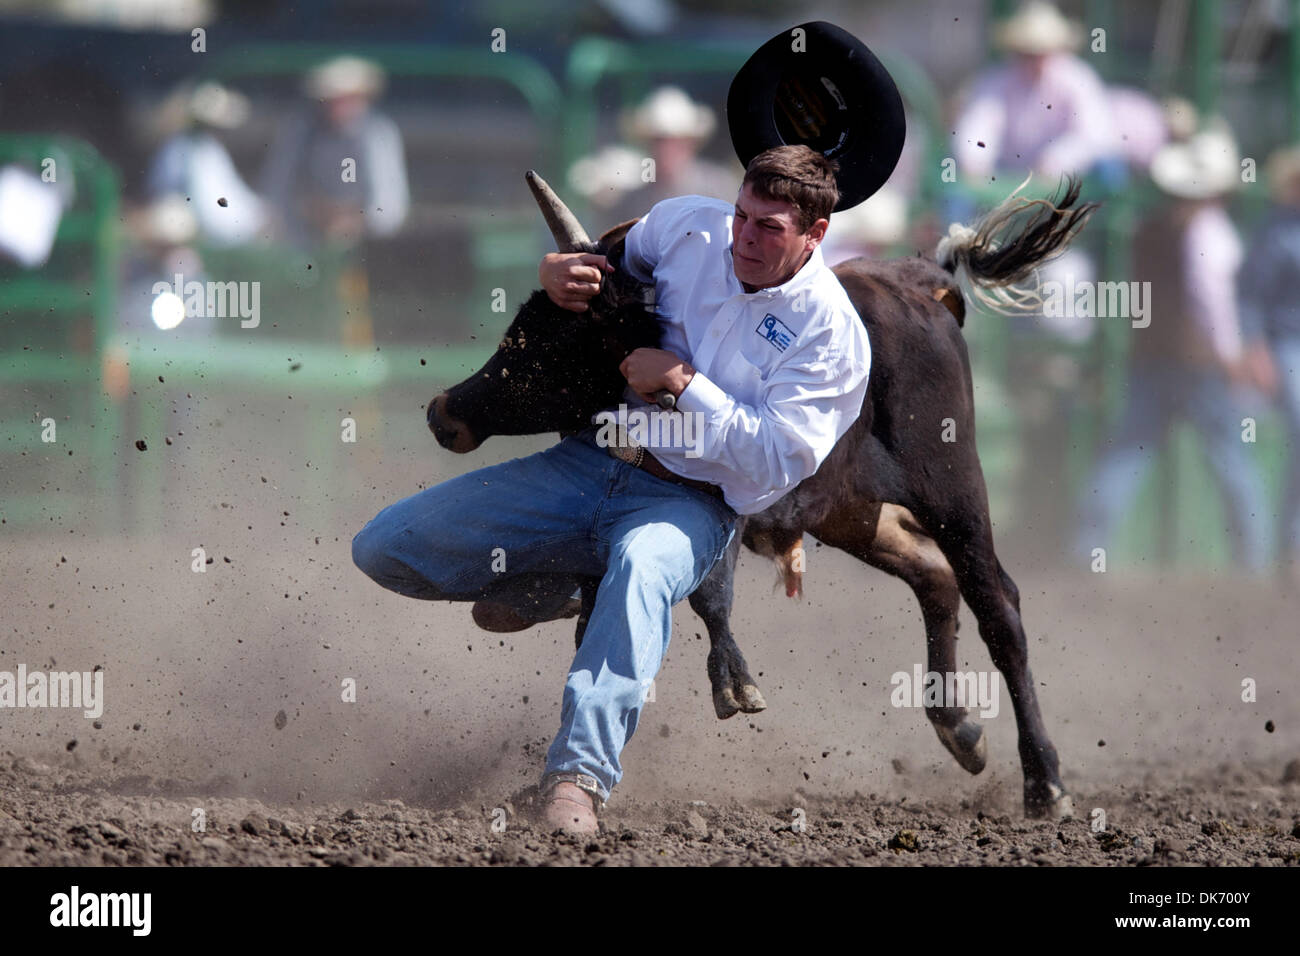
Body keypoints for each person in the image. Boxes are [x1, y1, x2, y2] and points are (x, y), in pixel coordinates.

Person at [351, 146, 871, 834]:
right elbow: (610, 266)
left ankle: (576, 780)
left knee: (639, 567)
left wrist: (686, 384)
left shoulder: (832, 334)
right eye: (742, 215)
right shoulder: (689, 225)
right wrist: (561, 275)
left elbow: (776, 461)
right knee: (383, 546)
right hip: (587, 462)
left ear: (816, 234)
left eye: (769, 228)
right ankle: (563, 574)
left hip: (690, 503)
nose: (743, 236)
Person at [1074, 125, 1274, 571]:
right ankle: (1254, 562)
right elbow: (1212, 301)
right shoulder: (1212, 232)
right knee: (1231, 461)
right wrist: (1232, 357)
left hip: (1152, 360)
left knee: (1128, 453)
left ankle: (1088, 552)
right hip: (1202, 366)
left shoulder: (1149, 228)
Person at [952, 1, 1119, 185]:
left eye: (1042, 51)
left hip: (1071, 175)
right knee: (959, 185)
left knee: (1110, 168)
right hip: (1010, 173)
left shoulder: (1078, 79)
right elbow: (979, 124)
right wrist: (974, 160)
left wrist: (1056, 160)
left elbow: (1094, 134)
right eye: (1028, 52)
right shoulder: (997, 80)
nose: (1035, 59)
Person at [259, 55, 409, 248]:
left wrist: (354, 220)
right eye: (333, 99)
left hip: (367, 243)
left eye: (347, 98)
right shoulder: (300, 130)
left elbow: (390, 206)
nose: (339, 106)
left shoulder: (379, 133)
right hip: (304, 237)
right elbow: (276, 188)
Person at [1238, 146, 1300, 584]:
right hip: (1287, 342)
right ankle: (1290, 549)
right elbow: (1250, 296)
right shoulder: (1276, 232)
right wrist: (1256, 348)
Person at [569, 86, 741, 226]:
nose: (666, 149)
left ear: (690, 143)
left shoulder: (718, 186)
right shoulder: (632, 198)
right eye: (658, 141)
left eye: (674, 140)